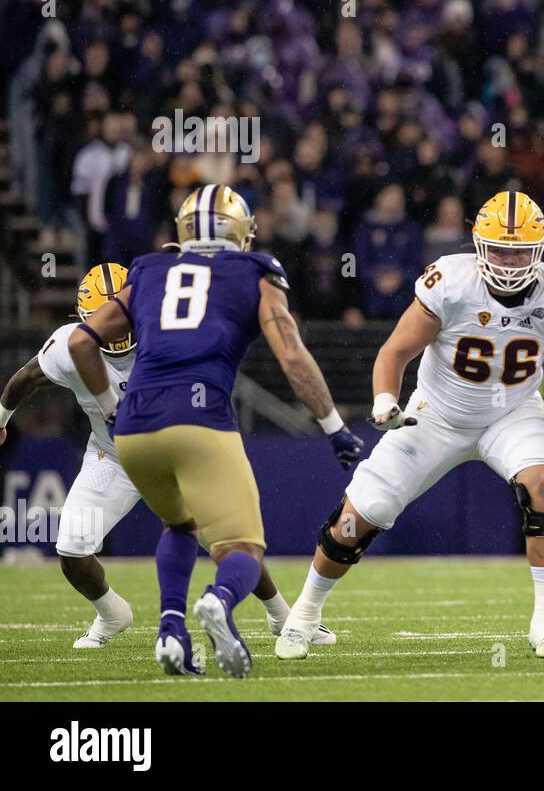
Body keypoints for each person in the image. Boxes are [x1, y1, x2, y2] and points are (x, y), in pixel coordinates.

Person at [274, 192, 544, 661]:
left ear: (540, 250)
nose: (507, 261)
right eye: (499, 249)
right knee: (357, 515)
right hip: (436, 413)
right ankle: (305, 613)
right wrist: (384, 399)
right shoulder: (451, 280)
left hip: (512, 412)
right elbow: (394, 352)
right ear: (478, 245)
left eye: (519, 251)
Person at [67, 185, 364, 677]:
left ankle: (170, 630)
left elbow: (81, 342)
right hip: (201, 418)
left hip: (134, 428)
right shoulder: (256, 270)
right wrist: (333, 426)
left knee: (179, 526)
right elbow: (291, 355)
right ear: (241, 232)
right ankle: (219, 602)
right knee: (242, 550)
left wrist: (109, 405)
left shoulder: (146, 269)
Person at [0, 263, 338, 651]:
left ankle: (282, 616)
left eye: (120, 317)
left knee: (226, 541)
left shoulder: (168, 337)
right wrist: (1, 419)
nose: (116, 330)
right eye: (103, 320)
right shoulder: (68, 346)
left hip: (175, 453)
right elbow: (26, 378)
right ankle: (112, 613)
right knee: (72, 549)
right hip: (112, 458)